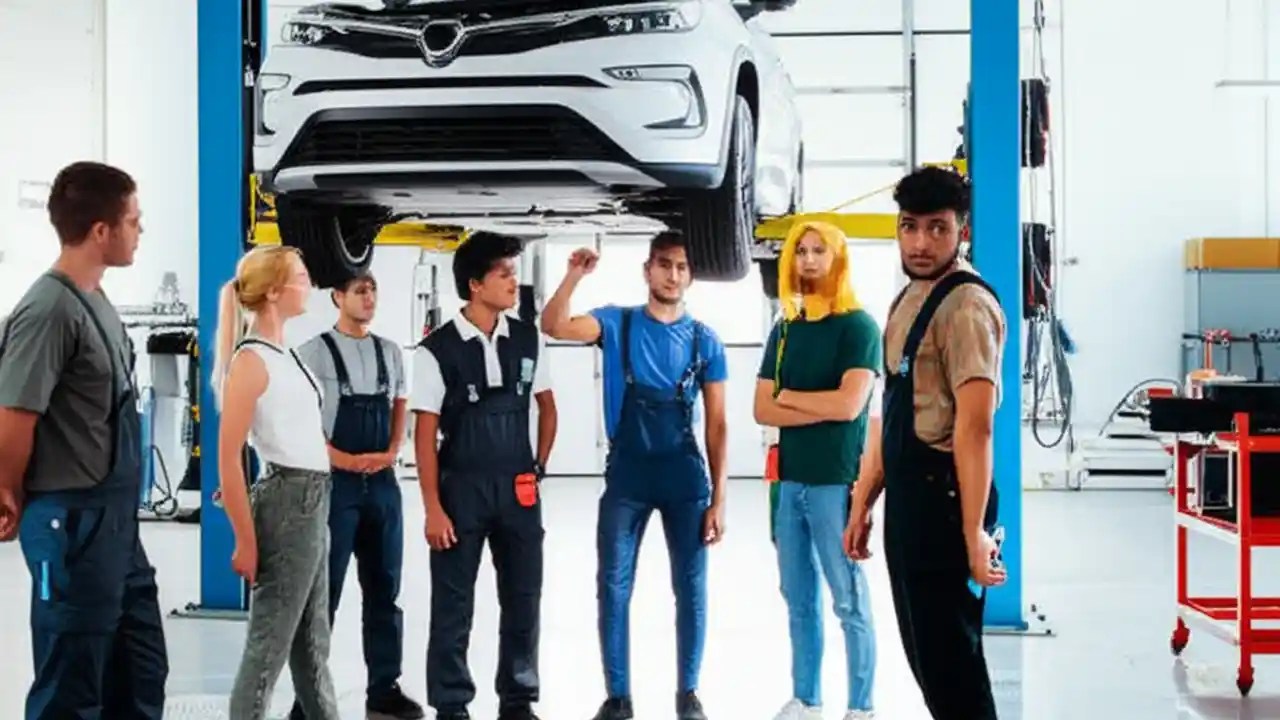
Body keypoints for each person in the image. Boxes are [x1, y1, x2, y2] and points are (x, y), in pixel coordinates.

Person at [0, 161, 168, 719]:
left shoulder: (96, 300)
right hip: (71, 522)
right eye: (134, 221)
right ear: (102, 230)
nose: (139, 231)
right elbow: (15, 414)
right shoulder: (47, 310)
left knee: (140, 670)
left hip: (116, 522)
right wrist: (8, 492)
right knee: (72, 684)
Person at [541, 232, 728, 720]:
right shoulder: (616, 323)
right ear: (647, 270)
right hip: (627, 475)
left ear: (691, 276)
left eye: (682, 267)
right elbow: (554, 324)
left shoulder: (705, 340)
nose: (673, 274)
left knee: (691, 587)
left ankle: (689, 695)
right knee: (613, 584)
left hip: (685, 478)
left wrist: (720, 498)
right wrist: (574, 275)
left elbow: (719, 423)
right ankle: (617, 697)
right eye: (664, 265)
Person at [844, 166, 1007, 720]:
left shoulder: (967, 307)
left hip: (949, 501)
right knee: (928, 662)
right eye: (909, 227)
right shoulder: (908, 299)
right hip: (910, 501)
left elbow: (976, 426)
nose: (920, 242)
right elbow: (888, 411)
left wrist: (974, 532)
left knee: (953, 667)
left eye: (937, 228)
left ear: (961, 230)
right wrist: (863, 501)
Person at [411, 231, 558, 720]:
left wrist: (537, 468)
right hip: (461, 491)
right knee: (453, 605)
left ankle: (518, 700)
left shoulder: (527, 337)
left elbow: (547, 406)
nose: (513, 282)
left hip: (518, 488)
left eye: (514, 272)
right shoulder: (436, 349)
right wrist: (433, 508)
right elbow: (424, 435)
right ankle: (452, 704)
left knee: (523, 598)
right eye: (504, 273)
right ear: (475, 285)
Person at [754, 221, 880, 720]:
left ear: (838, 259)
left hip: (835, 481)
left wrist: (789, 398)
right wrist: (811, 404)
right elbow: (762, 409)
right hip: (789, 482)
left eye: (818, 251)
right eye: (800, 251)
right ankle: (806, 699)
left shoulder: (859, 328)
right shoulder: (784, 330)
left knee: (848, 599)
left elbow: (850, 405)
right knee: (798, 597)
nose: (807, 260)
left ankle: (861, 707)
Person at [290, 271, 424, 720]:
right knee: (323, 595)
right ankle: (306, 702)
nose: (369, 297)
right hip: (335, 486)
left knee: (385, 590)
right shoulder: (311, 353)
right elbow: (299, 420)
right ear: (337, 297)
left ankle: (384, 690)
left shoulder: (390, 352)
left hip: (383, 487)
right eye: (360, 291)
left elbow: (401, 400)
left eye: (373, 289)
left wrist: (391, 449)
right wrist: (341, 459)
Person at [217, 246, 340, 720]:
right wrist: (245, 540)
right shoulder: (252, 361)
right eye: (302, 276)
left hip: (312, 500)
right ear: (273, 291)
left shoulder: (285, 353)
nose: (308, 284)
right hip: (289, 500)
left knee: (311, 645)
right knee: (268, 646)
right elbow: (229, 457)